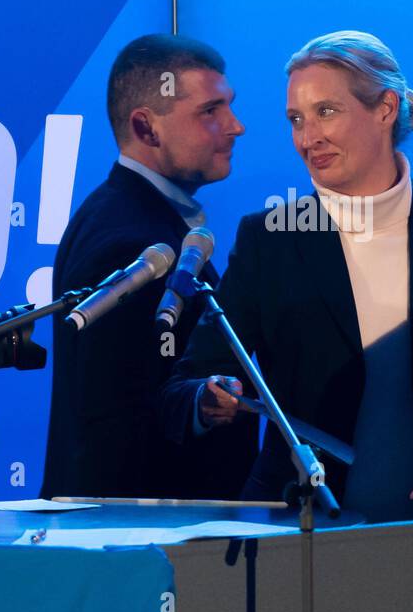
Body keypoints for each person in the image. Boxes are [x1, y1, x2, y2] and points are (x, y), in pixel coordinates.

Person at [159, 30, 413, 612]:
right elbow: (184, 384)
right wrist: (208, 397)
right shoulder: (271, 238)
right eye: (295, 118)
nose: (307, 136)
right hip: (300, 551)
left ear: (385, 110)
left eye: (326, 112)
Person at [40, 34, 256, 502]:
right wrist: (201, 407)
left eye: (229, 107)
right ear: (146, 127)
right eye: (210, 112)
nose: (235, 126)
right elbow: (116, 422)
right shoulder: (130, 243)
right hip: (147, 543)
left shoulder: (120, 214)